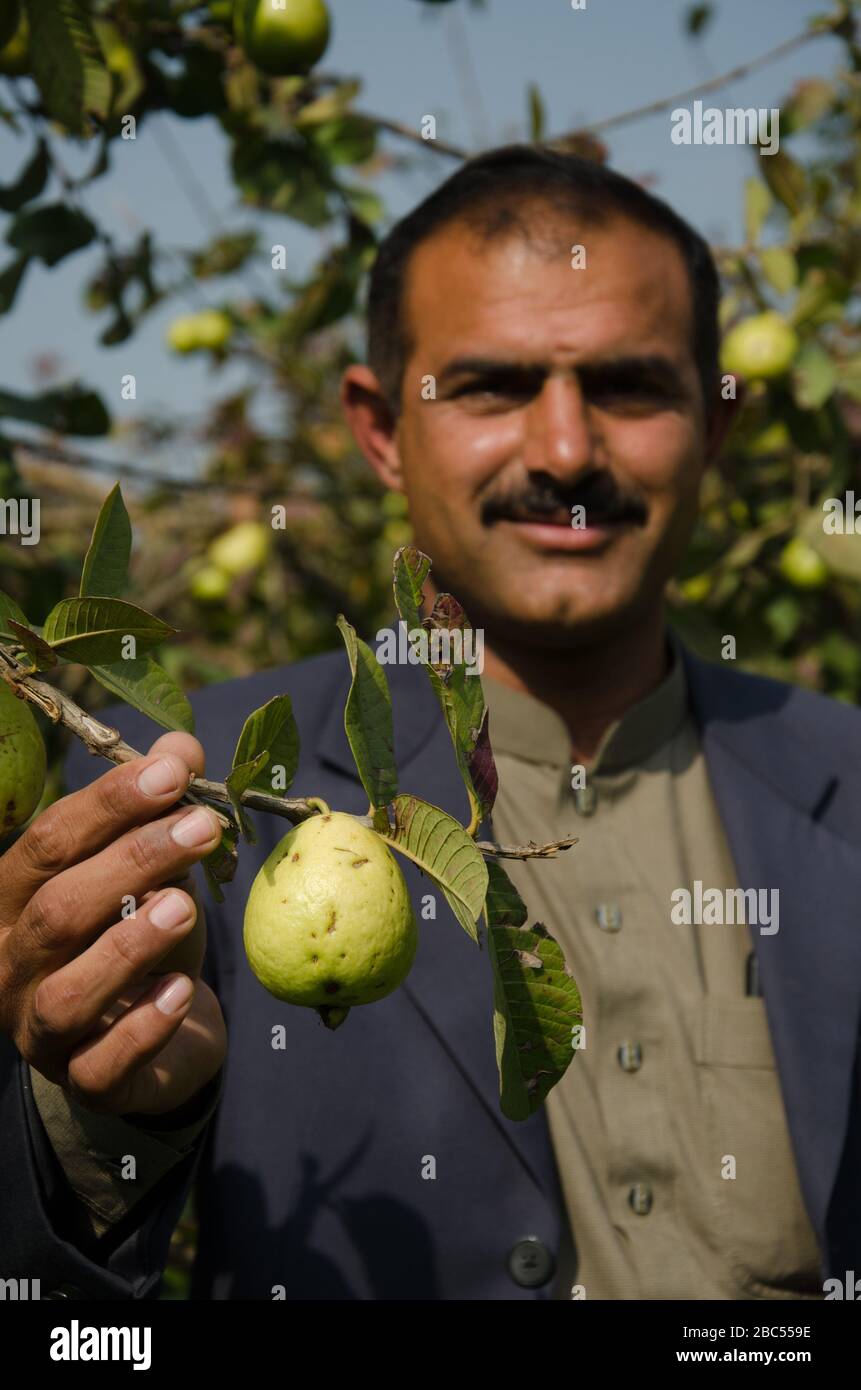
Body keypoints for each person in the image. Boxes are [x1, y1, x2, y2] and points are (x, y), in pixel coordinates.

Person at [1, 145, 859, 1301]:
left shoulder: (844, 778)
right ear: (380, 430)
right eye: (496, 386)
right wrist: (95, 1130)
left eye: (629, 385)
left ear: (714, 421)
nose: (566, 452)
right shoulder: (188, 787)